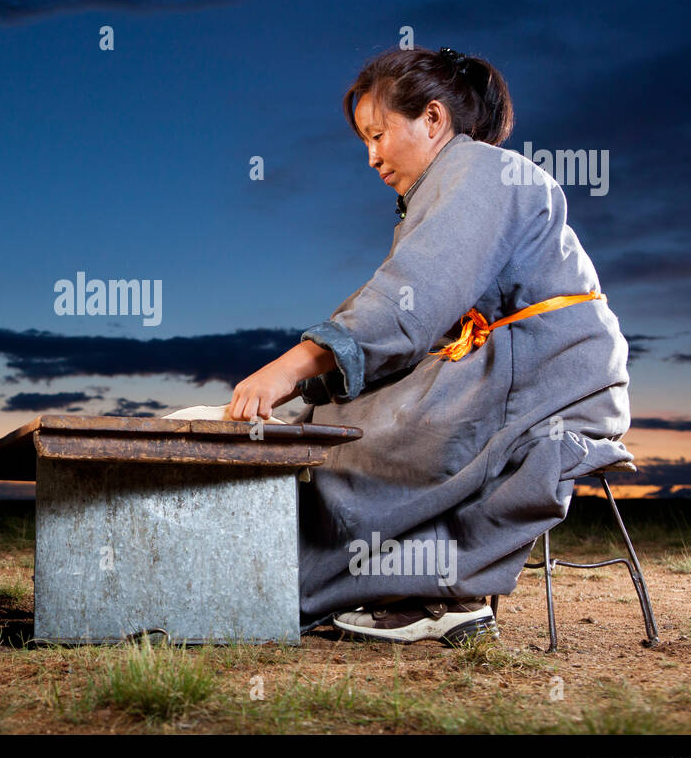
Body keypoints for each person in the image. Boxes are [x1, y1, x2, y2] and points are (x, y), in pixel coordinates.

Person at [227, 46, 631, 645]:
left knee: (353, 447)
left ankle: (426, 595)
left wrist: (286, 371)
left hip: (544, 383)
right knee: (325, 418)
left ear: (434, 119)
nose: (371, 156)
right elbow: (411, 324)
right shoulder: (453, 185)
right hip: (505, 370)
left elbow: (405, 303)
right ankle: (363, 583)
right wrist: (307, 389)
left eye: (379, 133)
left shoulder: (484, 171)